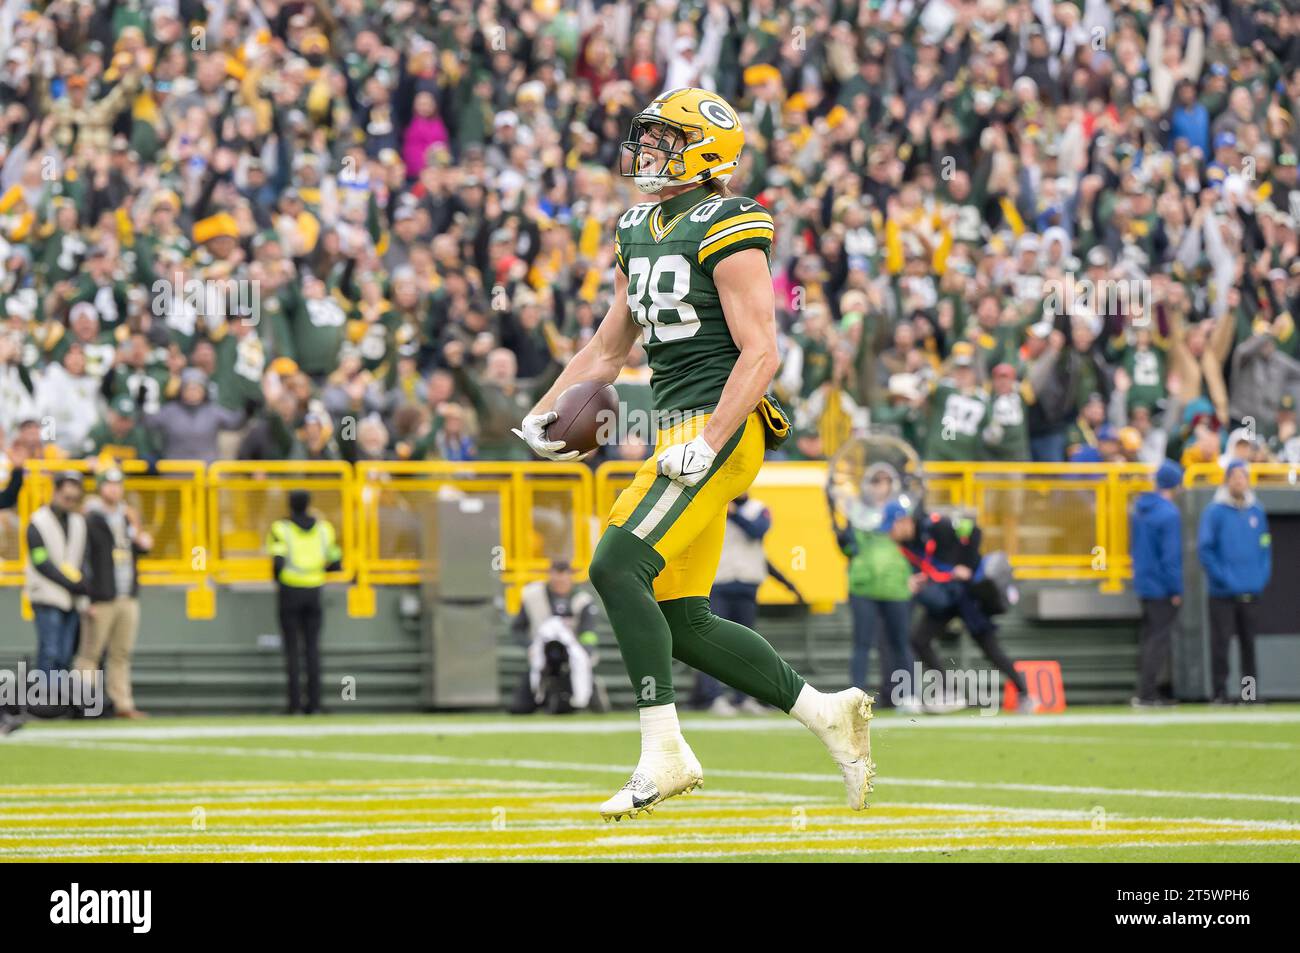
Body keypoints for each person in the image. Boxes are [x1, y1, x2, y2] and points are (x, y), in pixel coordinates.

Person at [513, 88, 874, 820]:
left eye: (664, 140)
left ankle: (665, 751)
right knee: (681, 622)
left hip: (719, 426)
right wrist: (546, 408)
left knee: (615, 564)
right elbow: (610, 346)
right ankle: (824, 711)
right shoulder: (636, 225)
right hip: (678, 426)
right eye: (647, 138)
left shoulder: (730, 220)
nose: (648, 152)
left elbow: (762, 350)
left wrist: (708, 442)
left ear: (705, 151)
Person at [903, 507, 1036, 711]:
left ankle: (1024, 692)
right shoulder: (910, 543)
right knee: (918, 640)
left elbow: (973, 536)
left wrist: (964, 567)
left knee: (990, 648)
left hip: (967, 597)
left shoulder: (939, 527)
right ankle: (949, 691)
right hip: (945, 598)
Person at [71, 468, 152, 719]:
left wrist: (142, 543)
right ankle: (85, 705)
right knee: (90, 654)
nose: (115, 489)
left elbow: (132, 550)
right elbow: (82, 559)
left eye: (118, 484)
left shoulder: (127, 517)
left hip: (126, 594)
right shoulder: (90, 518)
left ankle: (122, 704)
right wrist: (85, 597)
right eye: (109, 484)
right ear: (100, 487)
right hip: (100, 596)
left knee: (121, 653)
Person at [1197, 460, 1271, 704]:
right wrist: (1224, 578)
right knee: (1221, 645)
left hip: (1250, 591)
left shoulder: (1256, 511)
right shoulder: (1214, 512)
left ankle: (1248, 694)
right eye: (1235, 477)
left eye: (1243, 476)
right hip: (1222, 593)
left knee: (1248, 646)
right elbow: (1205, 550)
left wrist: (1259, 578)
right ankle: (1220, 693)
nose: (1240, 481)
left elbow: (1264, 547)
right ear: (1227, 480)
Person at [265, 490, 342, 715]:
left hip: (290, 591)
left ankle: (295, 705)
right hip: (315, 590)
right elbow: (336, 563)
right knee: (312, 649)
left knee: (292, 650)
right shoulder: (324, 529)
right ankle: (315, 704)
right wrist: (317, 572)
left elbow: (277, 564)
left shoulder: (281, 528)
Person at [696, 493, 774, 716]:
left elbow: (757, 530)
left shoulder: (758, 507)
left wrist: (735, 514)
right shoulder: (712, 503)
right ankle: (714, 697)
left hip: (747, 583)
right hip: (717, 581)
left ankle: (744, 697)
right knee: (712, 644)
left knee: (745, 644)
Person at [836, 498, 916, 707]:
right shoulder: (865, 533)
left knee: (901, 644)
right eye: (904, 521)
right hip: (865, 592)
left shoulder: (905, 543)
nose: (909, 526)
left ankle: (908, 696)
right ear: (894, 521)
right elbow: (846, 546)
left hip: (895, 592)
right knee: (863, 644)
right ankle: (856, 697)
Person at [510, 560, 601, 714]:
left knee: (571, 700)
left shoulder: (582, 600)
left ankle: (587, 695)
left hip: (570, 655)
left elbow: (588, 632)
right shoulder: (533, 595)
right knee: (520, 708)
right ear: (549, 576)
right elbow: (517, 628)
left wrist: (586, 650)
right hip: (542, 653)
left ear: (570, 578)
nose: (560, 583)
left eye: (563, 578)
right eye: (556, 577)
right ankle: (537, 696)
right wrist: (530, 646)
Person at [1129, 460, 1185, 707]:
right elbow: (1170, 556)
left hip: (1144, 582)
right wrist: (1176, 589)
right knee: (1158, 640)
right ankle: (1147, 693)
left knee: (1149, 637)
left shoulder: (1139, 509)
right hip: (1162, 586)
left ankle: (1144, 690)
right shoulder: (1169, 513)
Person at [26, 471, 90, 675]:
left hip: (72, 598)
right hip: (46, 595)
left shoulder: (78, 522)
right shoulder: (38, 521)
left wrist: (80, 584)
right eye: (66, 497)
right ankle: (45, 701)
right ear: (55, 492)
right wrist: (70, 583)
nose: (69, 502)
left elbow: (82, 557)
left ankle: (59, 703)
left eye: (74, 498)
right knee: (50, 651)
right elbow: (40, 561)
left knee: (65, 655)